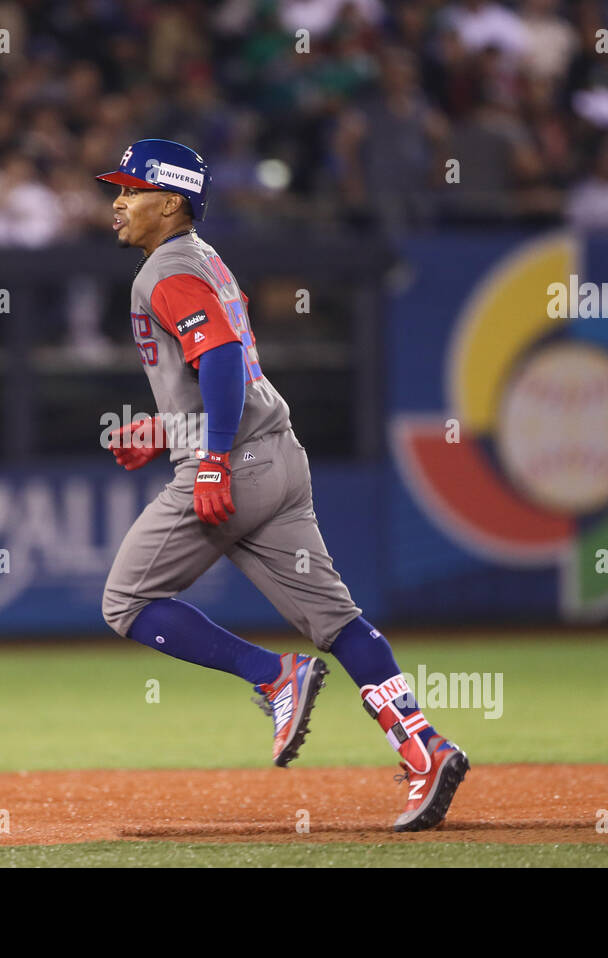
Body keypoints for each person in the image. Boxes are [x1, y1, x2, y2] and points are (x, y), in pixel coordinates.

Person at [97, 140, 468, 831]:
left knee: (128, 602)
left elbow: (224, 360)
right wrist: (167, 427)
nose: (117, 202)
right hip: (278, 458)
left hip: (234, 466)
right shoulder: (203, 258)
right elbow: (215, 368)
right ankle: (424, 746)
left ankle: (274, 677)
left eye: (130, 189)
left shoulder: (166, 271)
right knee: (340, 621)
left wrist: (207, 459)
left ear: (170, 201)